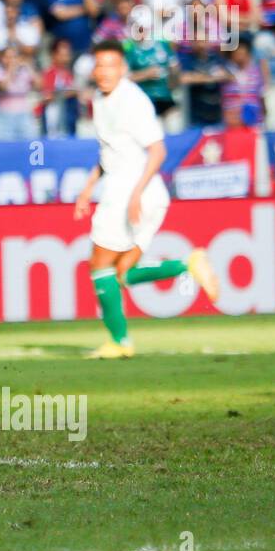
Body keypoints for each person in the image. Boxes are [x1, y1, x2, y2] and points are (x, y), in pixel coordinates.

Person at [72, 41, 221, 358]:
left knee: (99, 265)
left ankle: (119, 342)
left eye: (111, 65)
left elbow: (158, 150)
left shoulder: (133, 101)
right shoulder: (100, 99)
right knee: (122, 273)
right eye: (99, 65)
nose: (104, 71)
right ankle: (189, 264)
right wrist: (88, 188)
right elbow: (108, 151)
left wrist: (135, 193)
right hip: (145, 194)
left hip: (131, 193)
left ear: (124, 69)